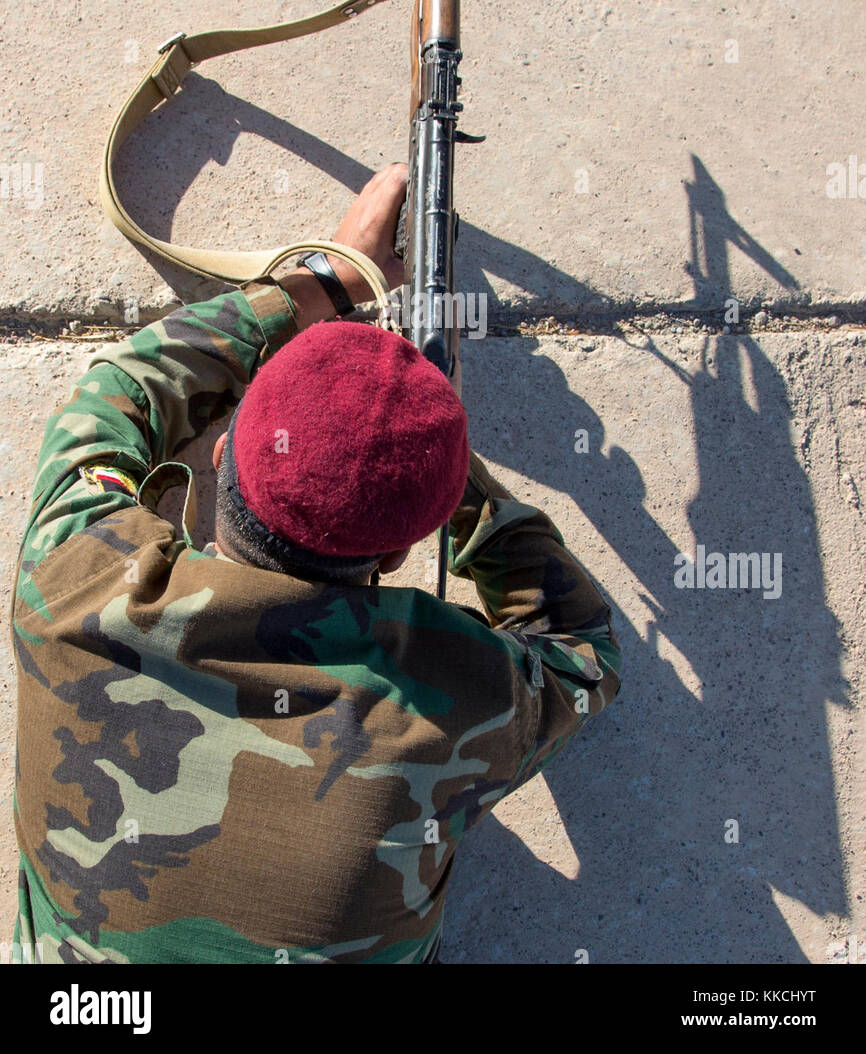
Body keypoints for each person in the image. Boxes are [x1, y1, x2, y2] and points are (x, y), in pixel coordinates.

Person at [10, 163, 621, 965]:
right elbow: (582, 650)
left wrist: (321, 279)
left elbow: (124, 388)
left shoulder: (72, 580)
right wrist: (434, 459)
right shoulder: (454, 703)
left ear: (222, 453)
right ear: (403, 551)